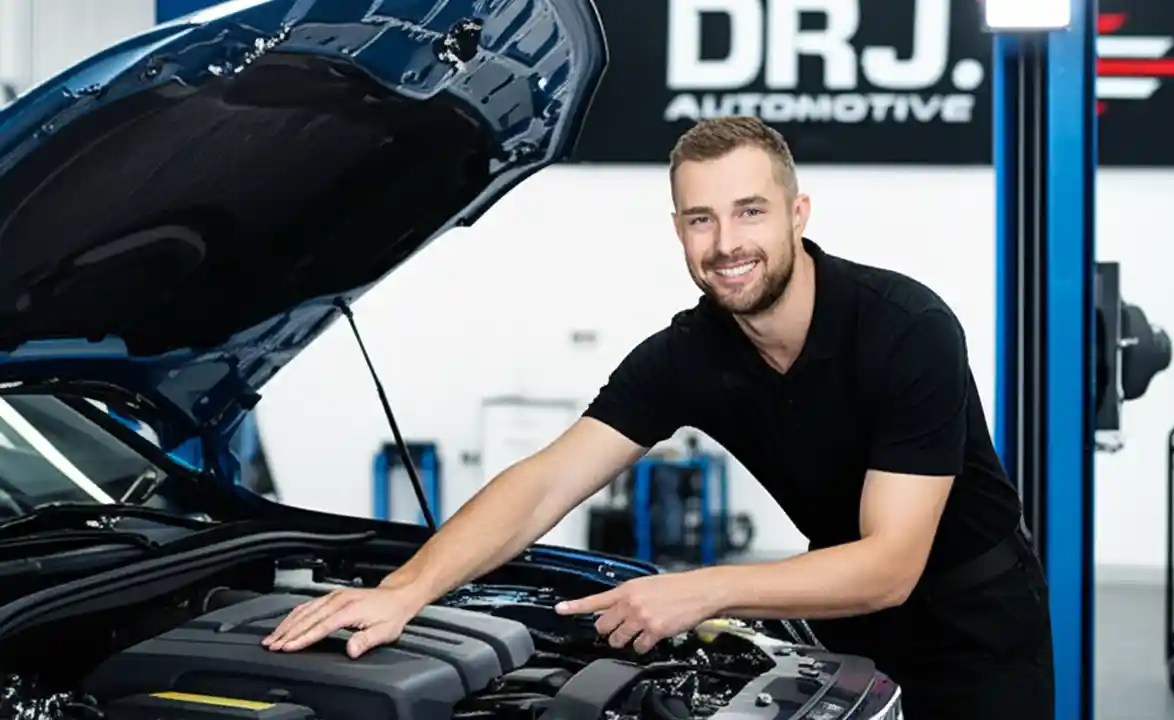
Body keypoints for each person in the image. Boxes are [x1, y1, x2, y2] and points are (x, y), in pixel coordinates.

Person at [262, 116, 1054, 718]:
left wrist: (700, 591)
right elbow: (546, 482)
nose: (726, 243)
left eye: (749, 212)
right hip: (836, 608)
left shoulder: (904, 327)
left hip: (975, 622)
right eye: (700, 219)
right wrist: (405, 591)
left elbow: (890, 567)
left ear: (797, 213)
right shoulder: (687, 354)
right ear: (679, 230)